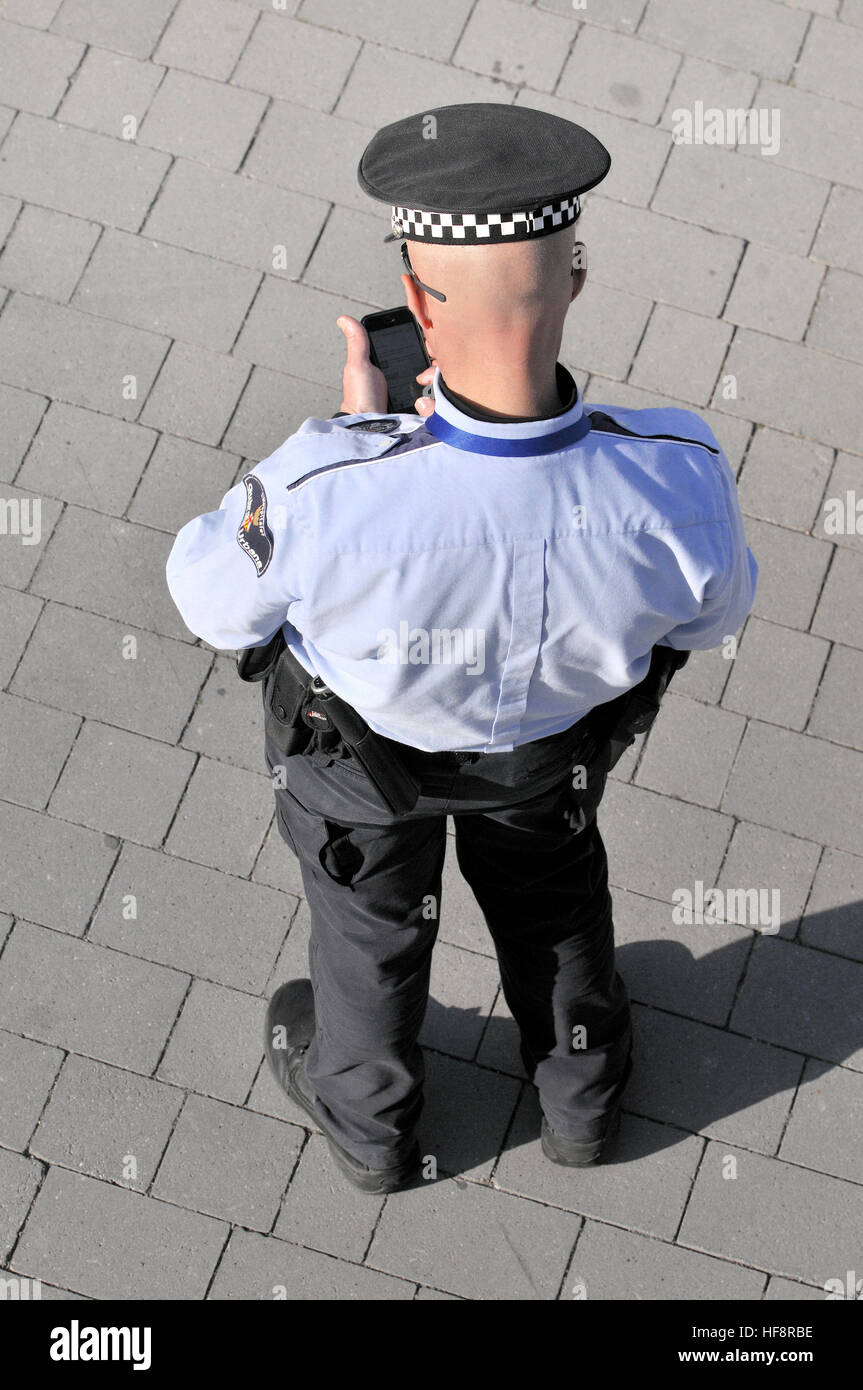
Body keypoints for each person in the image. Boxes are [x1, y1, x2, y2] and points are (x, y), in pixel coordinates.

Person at [165, 103, 757, 1197]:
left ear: (417, 309)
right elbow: (709, 619)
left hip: (360, 776)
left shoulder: (322, 488)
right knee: (554, 903)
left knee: (368, 934)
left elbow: (211, 602)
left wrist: (359, 437)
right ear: (572, 281)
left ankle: (372, 1130)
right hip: (551, 763)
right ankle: (582, 1103)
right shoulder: (680, 473)